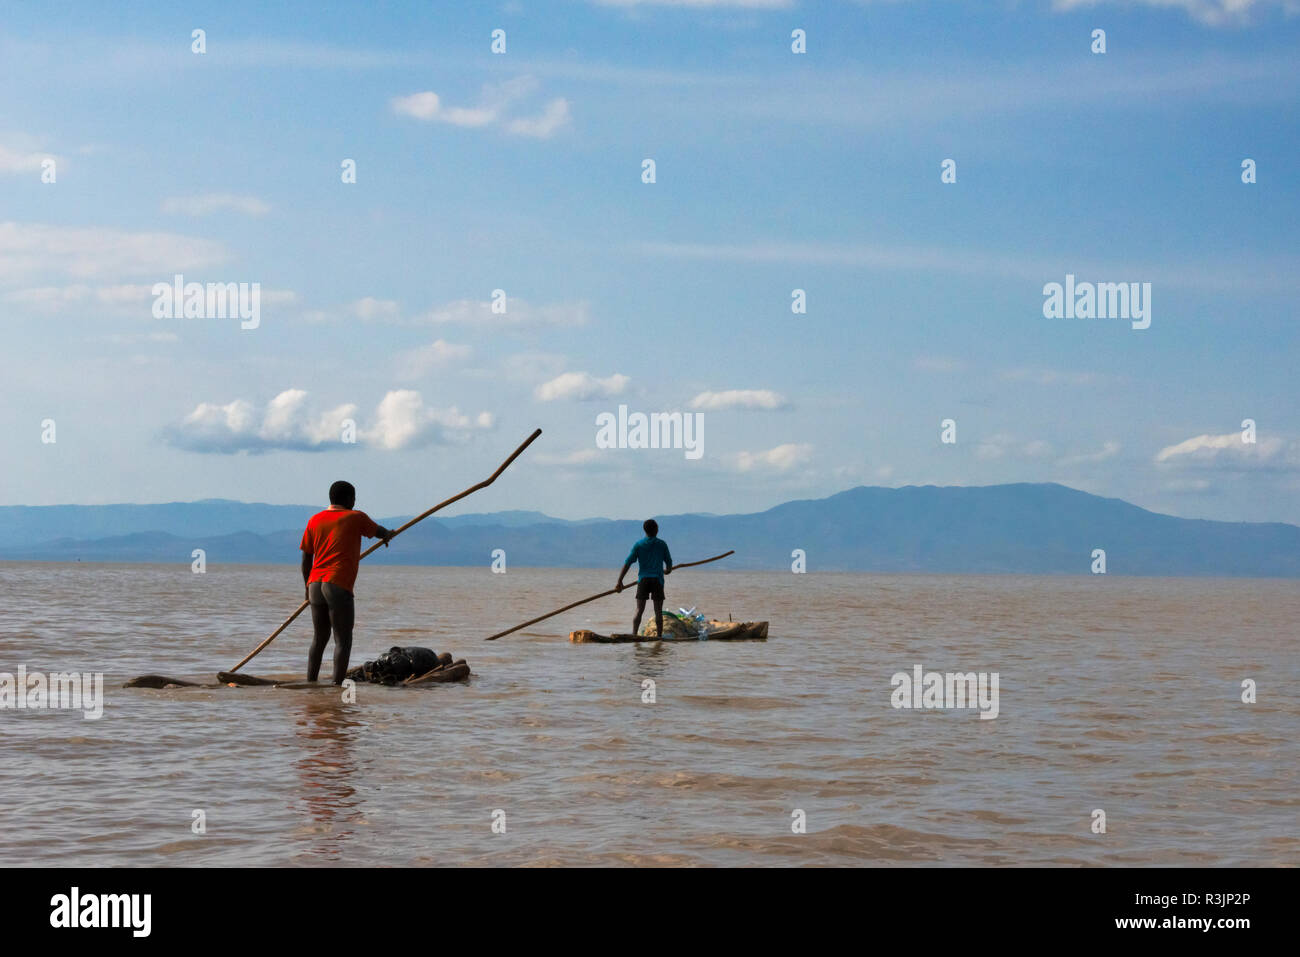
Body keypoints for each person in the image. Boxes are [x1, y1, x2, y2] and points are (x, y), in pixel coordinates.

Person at [299, 481, 394, 683]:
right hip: (337, 583)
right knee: (343, 641)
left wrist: (307, 587)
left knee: (319, 638)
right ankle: (337, 688)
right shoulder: (355, 517)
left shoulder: (314, 520)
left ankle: (310, 683)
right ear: (350, 499)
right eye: (354, 498)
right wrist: (388, 534)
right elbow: (378, 531)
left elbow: (306, 558)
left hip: (316, 583)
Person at [615, 519, 673, 638]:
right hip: (657, 580)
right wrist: (667, 571)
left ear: (645, 531)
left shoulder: (639, 545)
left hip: (643, 580)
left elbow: (627, 563)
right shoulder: (662, 544)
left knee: (639, 610)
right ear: (656, 530)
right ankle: (659, 637)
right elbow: (669, 563)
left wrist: (619, 581)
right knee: (658, 611)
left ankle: (634, 634)